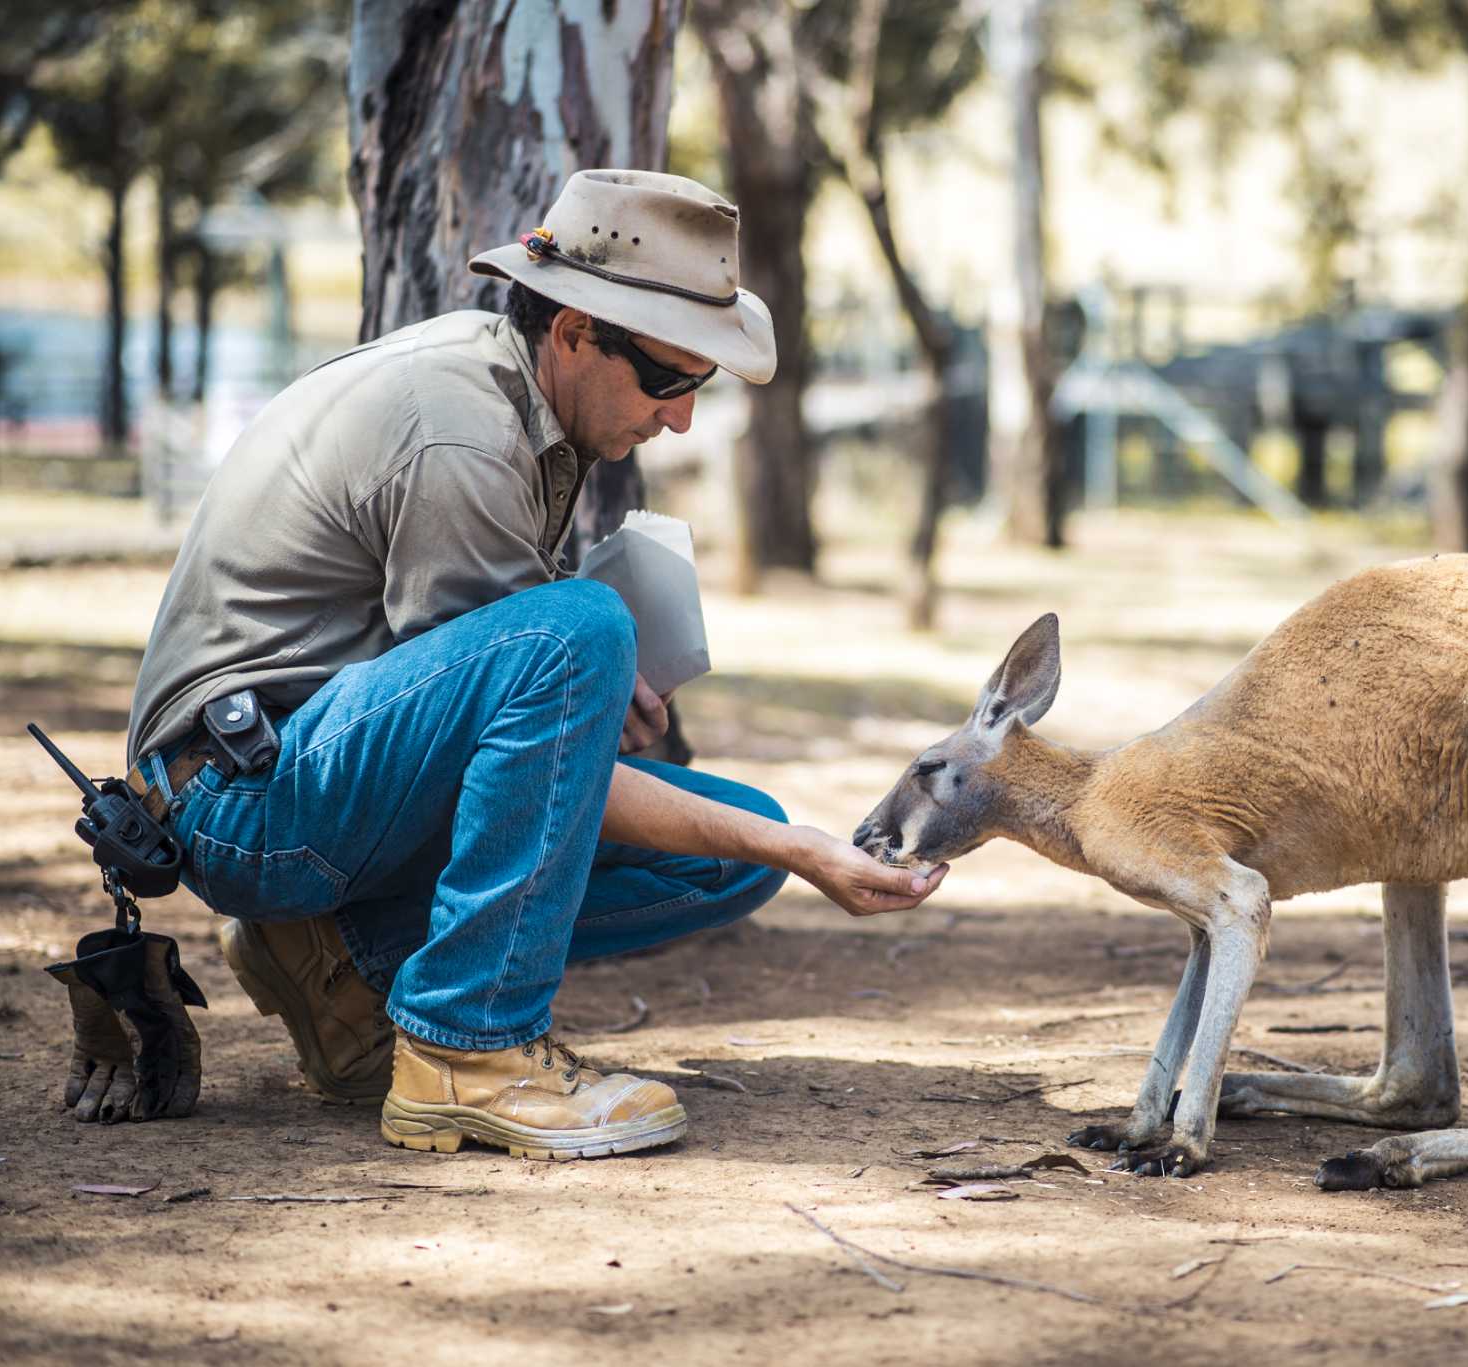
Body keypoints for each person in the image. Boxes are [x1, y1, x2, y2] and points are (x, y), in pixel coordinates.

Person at [122, 170, 947, 1161]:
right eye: (667, 379)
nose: (680, 418)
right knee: (587, 636)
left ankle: (345, 961)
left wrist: (592, 719)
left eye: (700, 384)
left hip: (309, 770)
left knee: (732, 841)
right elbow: (524, 723)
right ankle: (465, 1046)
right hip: (240, 803)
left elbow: (494, 752)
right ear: (571, 332)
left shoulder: (525, 403)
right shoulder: (463, 431)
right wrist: (806, 851)